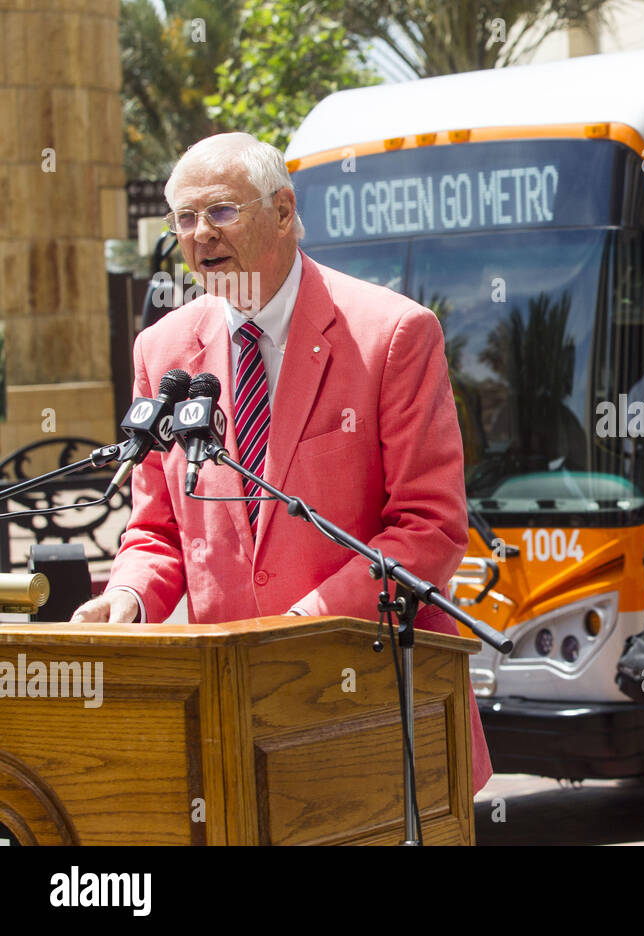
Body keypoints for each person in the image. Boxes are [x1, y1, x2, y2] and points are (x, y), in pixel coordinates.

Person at [70, 132, 492, 793]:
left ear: (285, 211)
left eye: (221, 212)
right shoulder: (162, 351)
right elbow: (156, 531)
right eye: (184, 218)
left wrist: (302, 624)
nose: (200, 234)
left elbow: (428, 529)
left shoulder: (392, 334)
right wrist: (126, 596)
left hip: (374, 713)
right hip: (241, 722)